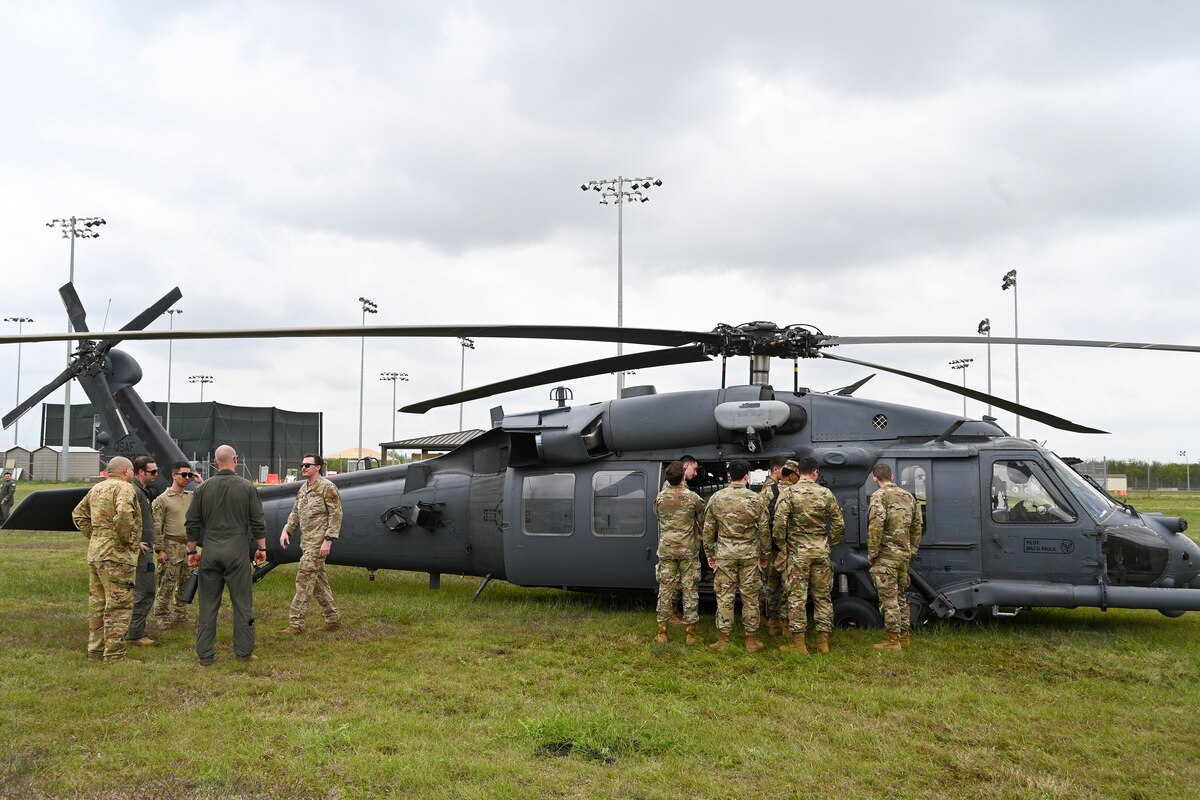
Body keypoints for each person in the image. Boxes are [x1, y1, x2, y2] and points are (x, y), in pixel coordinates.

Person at [185, 445, 266, 665]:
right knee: (242, 604)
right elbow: (258, 521)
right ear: (235, 460)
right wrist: (262, 548)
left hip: (210, 550)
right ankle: (243, 653)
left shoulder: (203, 488)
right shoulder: (246, 487)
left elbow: (192, 523)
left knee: (208, 605)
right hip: (237, 551)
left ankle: (205, 655)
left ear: (215, 462)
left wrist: (192, 551)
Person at [72, 456, 142, 663]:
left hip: (96, 553)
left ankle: (95, 651)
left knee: (98, 603)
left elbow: (78, 515)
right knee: (119, 605)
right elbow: (124, 515)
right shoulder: (125, 488)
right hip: (116, 556)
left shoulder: (97, 488)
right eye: (131, 470)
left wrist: (96, 535)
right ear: (126, 471)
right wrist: (125, 540)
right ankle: (115, 654)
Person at [772, 456, 844, 654]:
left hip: (797, 553)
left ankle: (799, 645)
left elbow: (779, 524)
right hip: (820, 551)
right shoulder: (825, 493)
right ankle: (823, 642)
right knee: (823, 597)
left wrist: (782, 546)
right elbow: (839, 523)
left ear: (798, 472)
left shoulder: (788, 493)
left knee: (797, 597)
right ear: (815, 472)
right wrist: (829, 542)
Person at [701, 459, 770, 652]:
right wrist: (764, 555)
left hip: (725, 555)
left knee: (725, 596)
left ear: (729, 476)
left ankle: (724, 640)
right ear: (746, 477)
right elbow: (765, 531)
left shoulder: (717, 498)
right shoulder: (756, 499)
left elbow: (708, 530)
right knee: (751, 597)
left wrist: (710, 554)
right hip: (749, 556)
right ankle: (751, 641)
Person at [279, 454, 343, 634]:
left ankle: (296, 623)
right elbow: (295, 512)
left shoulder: (327, 487)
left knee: (304, 579)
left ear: (318, 467)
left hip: (318, 543)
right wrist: (287, 530)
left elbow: (336, 514)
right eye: (302, 465)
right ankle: (333, 619)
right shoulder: (303, 488)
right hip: (306, 542)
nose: (303, 468)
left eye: (307, 465)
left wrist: (328, 540)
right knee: (318, 583)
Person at [867, 463, 923, 651]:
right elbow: (917, 525)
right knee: (901, 597)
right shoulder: (908, 496)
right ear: (891, 476)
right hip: (903, 556)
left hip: (886, 557)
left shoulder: (879, 496)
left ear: (875, 479)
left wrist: (872, 552)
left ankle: (893, 642)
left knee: (888, 599)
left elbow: (876, 525)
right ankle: (904, 637)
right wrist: (912, 549)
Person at [652, 460, 706, 645]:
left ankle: (662, 632)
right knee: (689, 591)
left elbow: (658, 516)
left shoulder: (660, 498)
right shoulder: (693, 498)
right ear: (683, 476)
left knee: (665, 590)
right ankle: (691, 634)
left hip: (666, 550)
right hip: (687, 552)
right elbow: (702, 520)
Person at [151, 461, 198, 628]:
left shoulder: (191, 496)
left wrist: (200, 481)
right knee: (167, 583)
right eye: (183, 475)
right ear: (174, 475)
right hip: (171, 545)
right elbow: (156, 526)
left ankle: (180, 612)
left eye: (189, 475)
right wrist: (159, 550)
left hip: (188, 547)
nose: (187, 478)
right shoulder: (162, 500)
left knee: (186, 582)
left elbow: (209, 495)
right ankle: (162, 614)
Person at [123, 456, 160, 647]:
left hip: (146, 549)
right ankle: (135, 634)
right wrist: (135, 542)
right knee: (145, 591)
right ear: (141, 472)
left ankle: (134, 630)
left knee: (144, 590)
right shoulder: (134, 492)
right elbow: (123, 519)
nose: (156, 474)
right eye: (153, 471)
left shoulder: (141, 491)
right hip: (141, 551)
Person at [757, 455, 791, 636]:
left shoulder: (767, 492)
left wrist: (765, 549)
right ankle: (787, 626)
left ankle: (772, 623)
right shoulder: (795, 491)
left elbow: (761, 523)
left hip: (771, 547)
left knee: (770, 586)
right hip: (790, 548)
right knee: (788, 587)